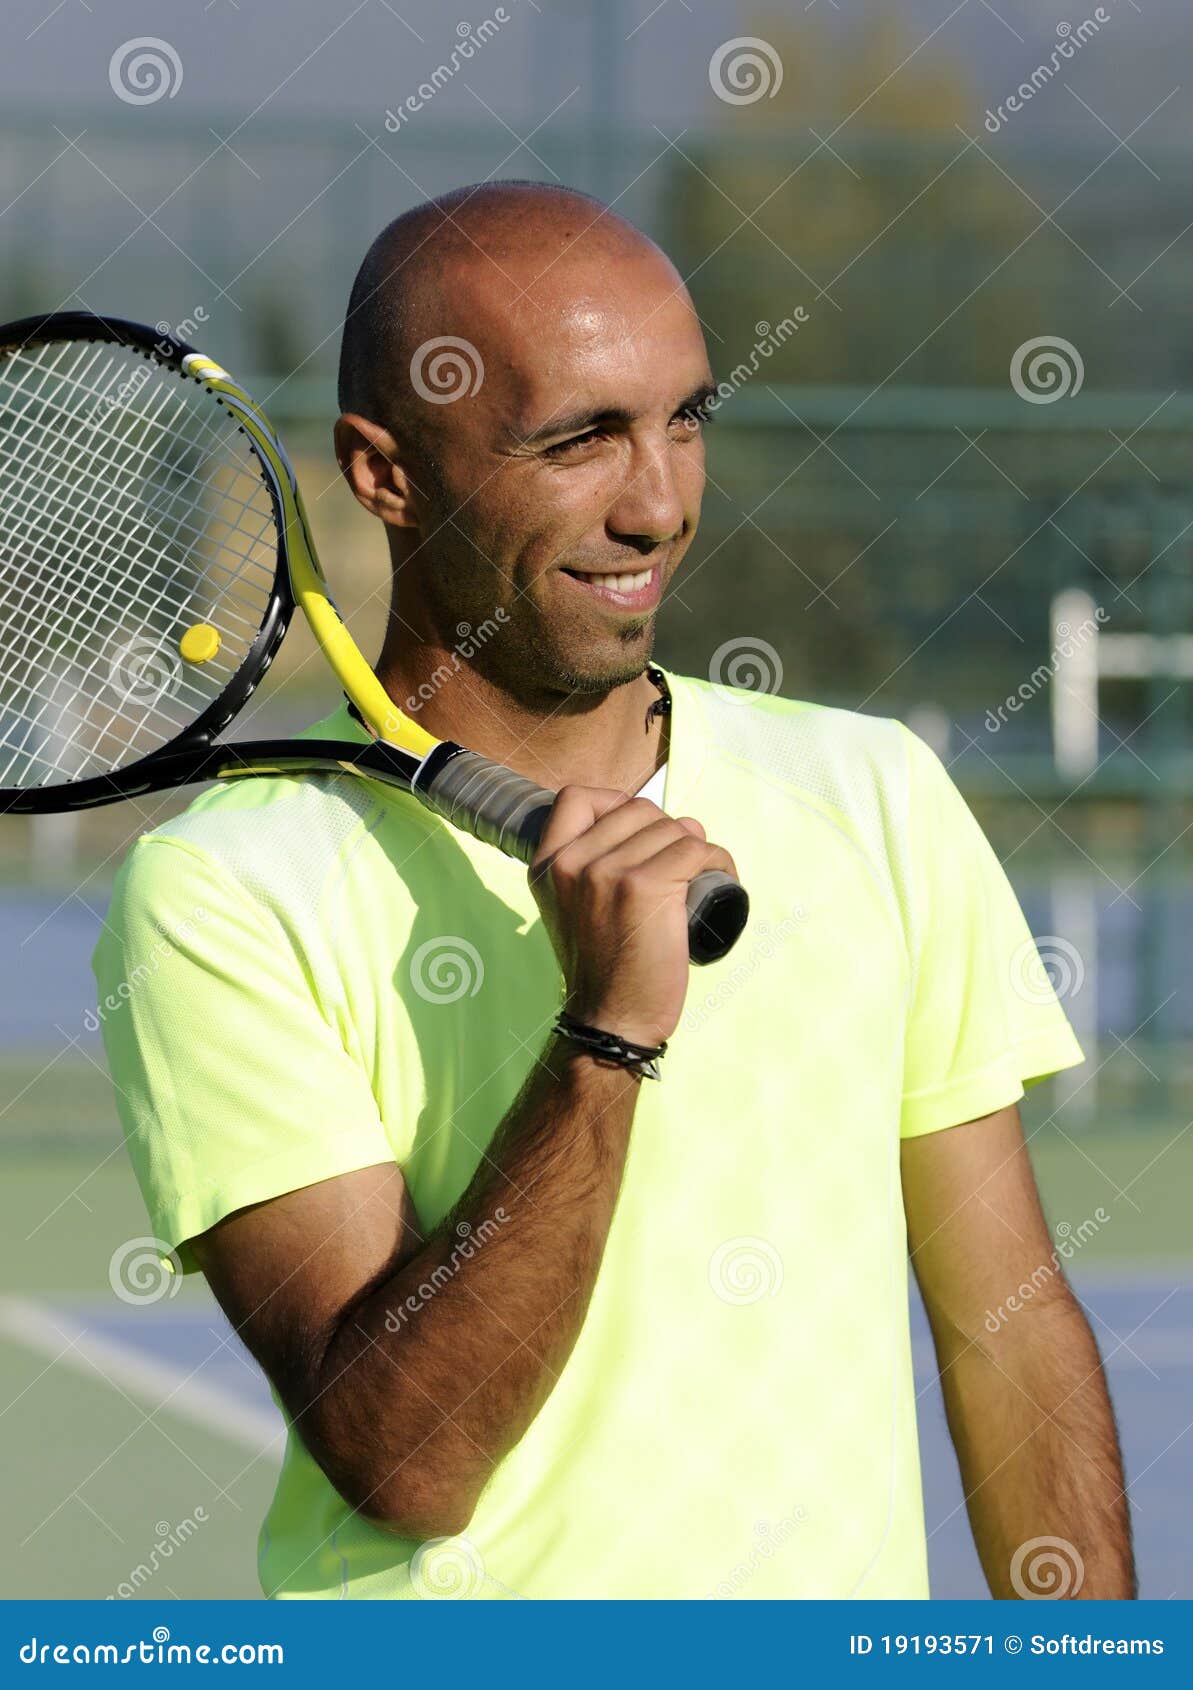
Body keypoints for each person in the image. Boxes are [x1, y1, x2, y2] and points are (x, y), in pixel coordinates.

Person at [93, 181, 1134, 1601]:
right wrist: (603, 1035)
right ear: (384, 472)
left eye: (682, 420)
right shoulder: (221, 892)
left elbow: (1005, 1328)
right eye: (579, 439)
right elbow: (406, 1459)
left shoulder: (875, 792)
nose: (657, 505)